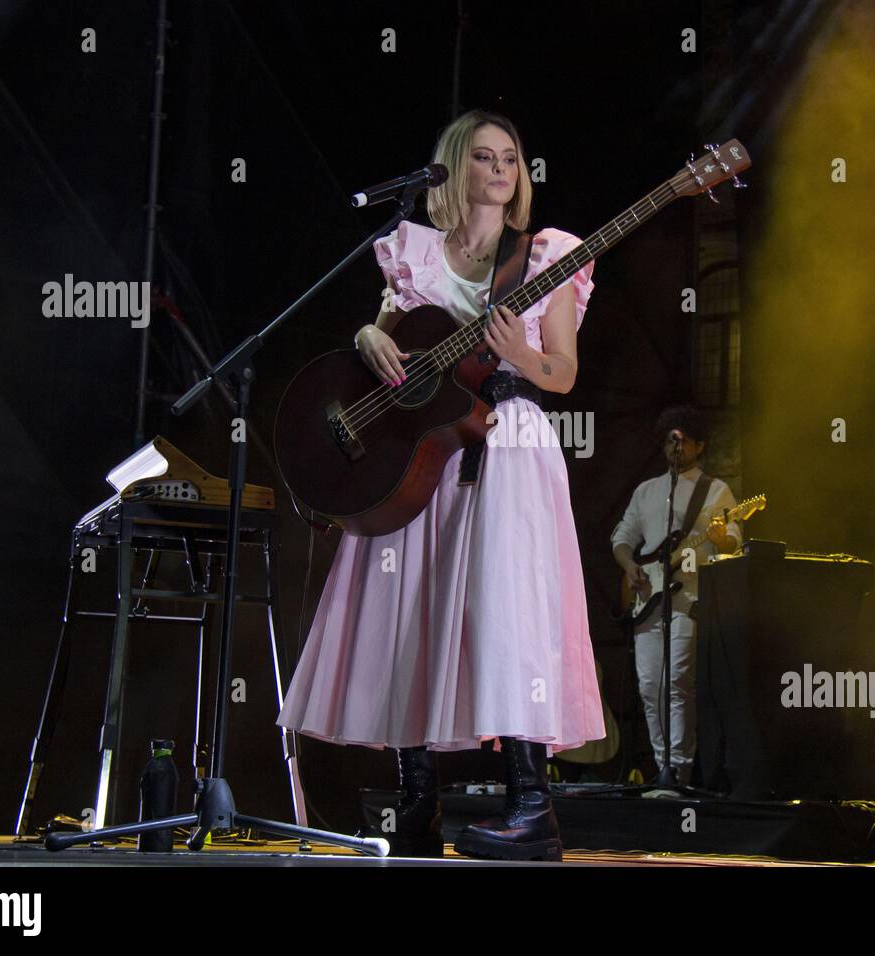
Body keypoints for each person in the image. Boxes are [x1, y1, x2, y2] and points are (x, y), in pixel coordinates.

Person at [276, 109, 604, 861]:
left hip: (508, 445)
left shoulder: (545, 254)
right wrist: (369, 334)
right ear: (452, 169)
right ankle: (416, 802)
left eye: (512, 159)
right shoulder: (414, 252)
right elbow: (387, 337)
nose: (500, 170)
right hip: (416, 451)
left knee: (509, 614)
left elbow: (563, 372)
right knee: (405, 608)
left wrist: (521, 349)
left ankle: (531, 810)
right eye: (484, 157)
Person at [610, 407, 741, 788]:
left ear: (700, 446)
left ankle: (679, 771)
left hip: (689, 601)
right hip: (648, 600)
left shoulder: (716, 491)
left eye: (683, 440)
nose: (675, 446)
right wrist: (629, 566)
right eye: (670, 439)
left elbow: (733, 541)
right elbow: (621, 539)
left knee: (677, 683)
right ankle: (660, 763)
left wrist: (719, 538)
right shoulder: (646, 490)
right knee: (649, 685)